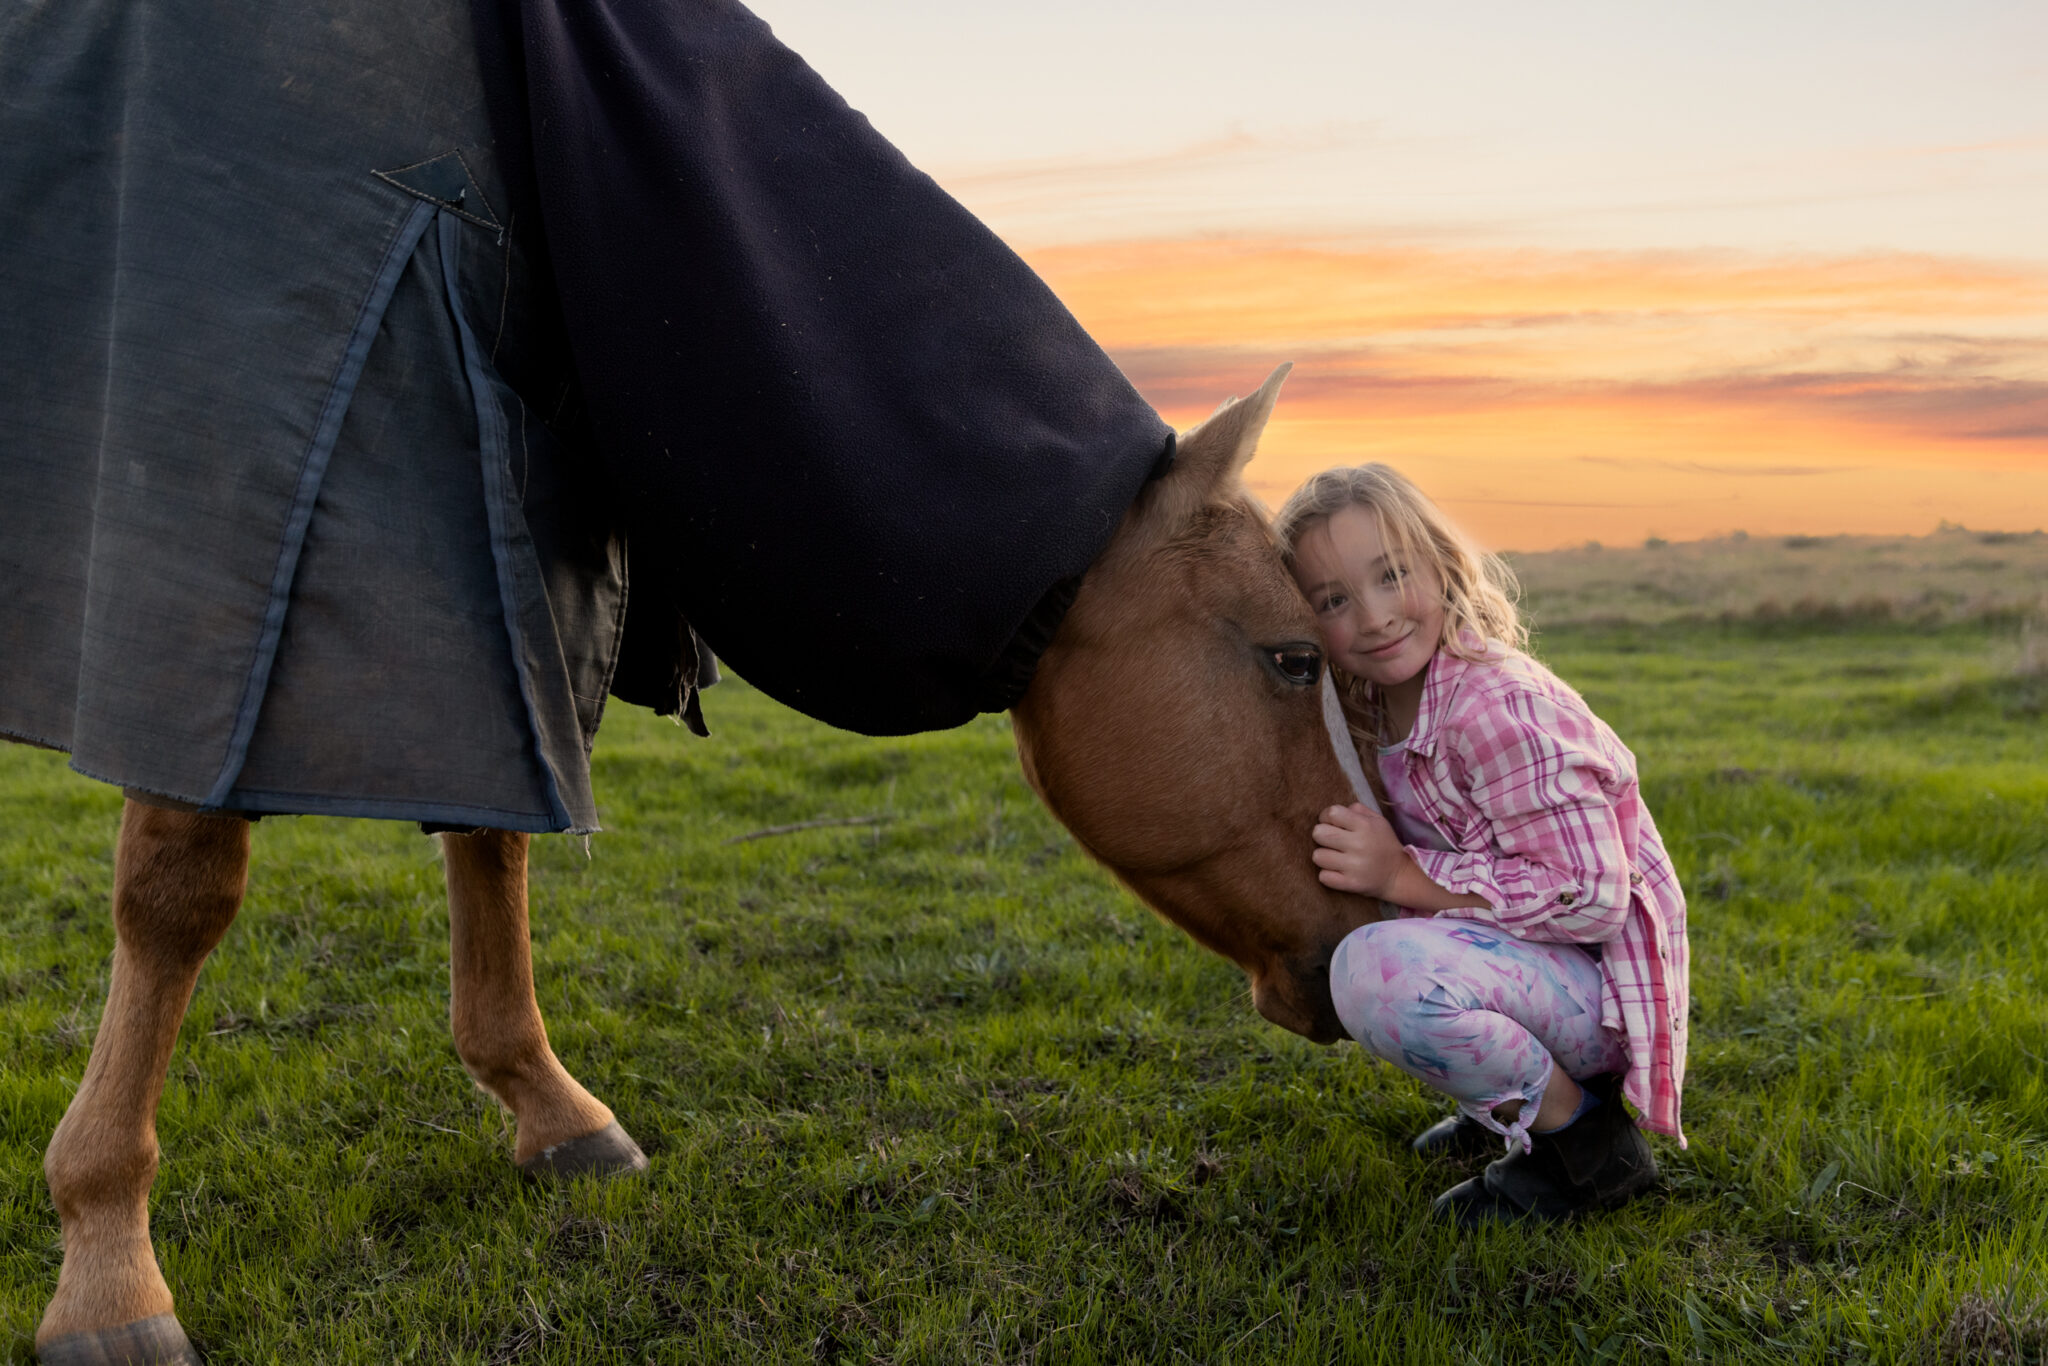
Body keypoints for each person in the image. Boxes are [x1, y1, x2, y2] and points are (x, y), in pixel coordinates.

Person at [1272, 464, 1688, 1226]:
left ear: (1439, 561)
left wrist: (1403, 872)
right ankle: (1503, 1104)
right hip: (1529, 969)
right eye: (1333, 600)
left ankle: (1584, 1145)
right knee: (1372, 945)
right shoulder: (1371, 702)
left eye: (1393, 575)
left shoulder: (1496, 710)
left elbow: (1591, 898)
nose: (1373, 617)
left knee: (1376, 969)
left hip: (1597, 995)